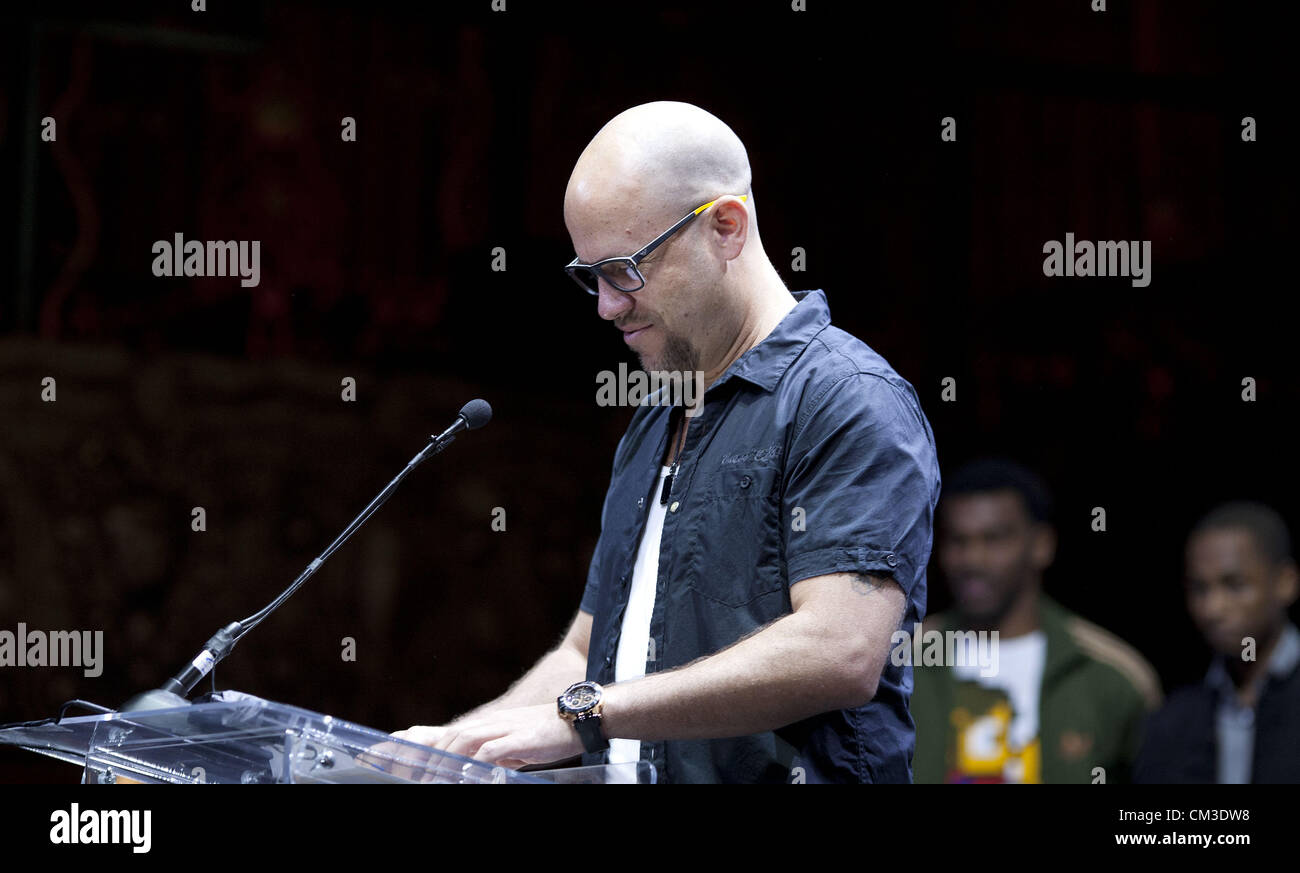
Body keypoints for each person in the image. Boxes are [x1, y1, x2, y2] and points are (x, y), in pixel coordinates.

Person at [395, 100, 940, 782]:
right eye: (590, 276)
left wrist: (586, 715)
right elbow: (586, 653)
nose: (606, 304)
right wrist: (456, 745)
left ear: (726, 227)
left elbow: (841, 651)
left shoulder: (848, 396)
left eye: (624, 268)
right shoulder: (659, 413)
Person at [912, 458, 1162, 783]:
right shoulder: (902, 661)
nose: (972, 559)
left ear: (1041, 545)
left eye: (994, 539)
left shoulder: (1112, 675)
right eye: (958, 540)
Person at [1134, 501, 1300, 783]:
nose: (1213, 609)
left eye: (1235, 585)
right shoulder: (1173, 721)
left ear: (1285, 582)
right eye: (1199, 589)